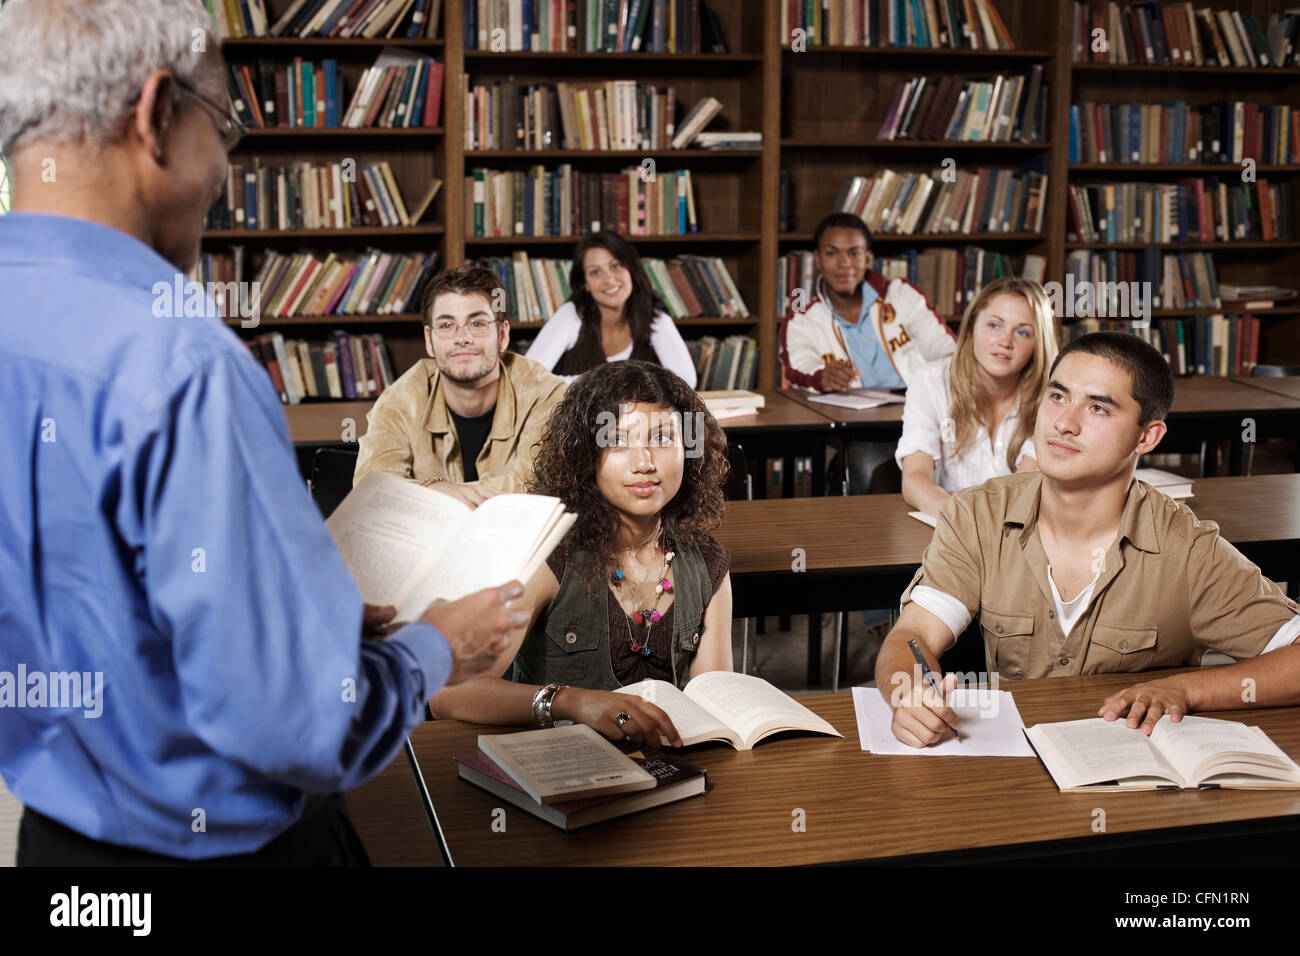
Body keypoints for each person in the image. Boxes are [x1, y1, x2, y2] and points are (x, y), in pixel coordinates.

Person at [0, 0, 523, 865]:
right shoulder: (182, 365)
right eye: (226, 131)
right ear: (156, 114)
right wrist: (438, 647)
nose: (223, 173)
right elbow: (307, 725)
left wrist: (283, 614)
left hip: (58, 848)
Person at [875, 332, 1300, 748]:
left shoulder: (1187, 549)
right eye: (1057, 397)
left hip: (1133, 780)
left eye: (1098, 408)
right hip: (1011, 775)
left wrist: (1188, 690)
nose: (1063, 423)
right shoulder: (976, 514)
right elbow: (912, 637)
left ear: (1146, 437)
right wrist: (909, 693)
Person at [430, 361, 734, 747]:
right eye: (618, 442)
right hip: (555, 769)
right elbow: (448, 694)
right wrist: (570, 701)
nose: (644, 464)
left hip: (670, 773)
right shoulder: (546, 556)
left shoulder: (708, 564)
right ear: (585, 455)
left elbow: (714, 704)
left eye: (662, 439)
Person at [353, 265, 566, 509]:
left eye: (477, 324)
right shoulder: (400, 399)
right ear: (429, 341)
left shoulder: (545, 394)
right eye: (446, 325)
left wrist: (428, 492)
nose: (462, 337)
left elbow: (542, 486)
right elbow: (371, 488)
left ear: (503, 335)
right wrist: (434, 487)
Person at [779, 212, 957, 493]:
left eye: (854, 253)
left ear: (868, 258)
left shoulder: (901, 295)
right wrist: (821, 377)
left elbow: (948, 351)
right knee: (867, 466)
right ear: (817, 259)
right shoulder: (802, 317)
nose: (844, 263)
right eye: (832, 253)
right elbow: (797, 370)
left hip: (920, 415)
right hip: (853, 430)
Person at [897, 276, 1059, 518]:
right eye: (994, 325)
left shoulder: (1052, 396)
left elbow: (1025, 488)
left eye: (1023, 332)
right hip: (949, 523)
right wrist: (959, 519)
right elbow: (914, 479)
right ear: (972, 328)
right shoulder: (931, 380)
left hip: (1017, 528)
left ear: (1038, 344)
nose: (1005, 342)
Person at [525, 231, 698, 387]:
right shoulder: (571, 314)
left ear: (630, 269)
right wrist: (619, 387)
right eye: (595, 272)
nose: (609, 280)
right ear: (584, 284)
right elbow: (529, 378)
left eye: (616, 266)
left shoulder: (654, 316)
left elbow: (686, 381)